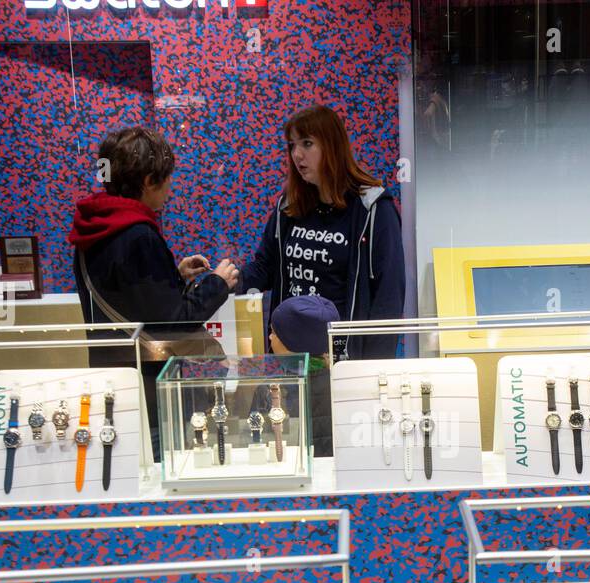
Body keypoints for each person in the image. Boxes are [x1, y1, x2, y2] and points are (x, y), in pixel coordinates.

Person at [68, 126, 240, 446]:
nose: (170, 187)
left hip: (113, 379)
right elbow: (172, 324)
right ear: (148, 181)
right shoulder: (139, 235)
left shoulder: (92, 229)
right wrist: (218, 283)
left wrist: (173, 275)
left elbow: (126, 296)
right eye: (167, 178)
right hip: (150, 390)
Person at [238, 105, 405, 362]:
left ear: (332, 146)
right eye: (292, 145)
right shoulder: (289, 206)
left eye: (307, 143)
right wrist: (223, 282)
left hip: (342, 359)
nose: (297, 154)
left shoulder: (373, 209)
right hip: (290, 356)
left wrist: (373, 369)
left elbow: (388, 297)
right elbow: (265, 267)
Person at [265, 295, 338, 456]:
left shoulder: (274, 389)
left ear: (292, 343)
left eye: (274, 332)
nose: (270, 337)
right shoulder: (339, 382)